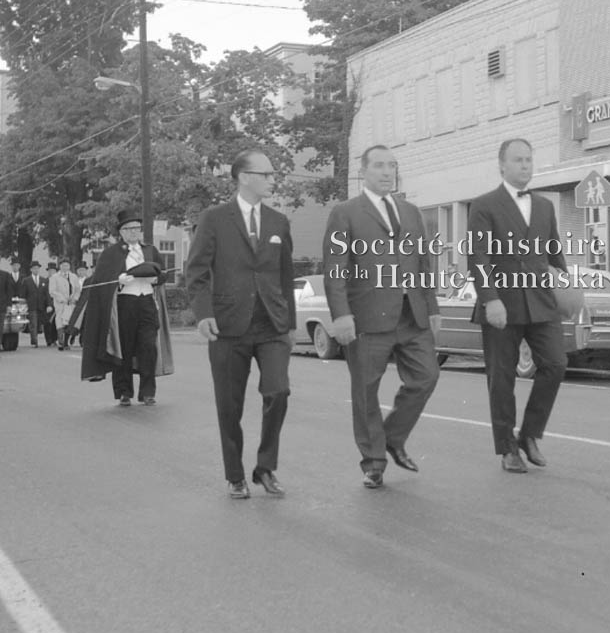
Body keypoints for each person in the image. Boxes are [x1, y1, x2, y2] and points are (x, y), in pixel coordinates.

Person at [322, 144, 441, 489]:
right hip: (367, 318)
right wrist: (341, 315)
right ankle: (374, 462)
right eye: (379, 166)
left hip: (411, 314)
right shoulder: (345, 212)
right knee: (365, 390)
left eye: (392, 166)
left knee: (426, 378)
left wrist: (431, 306)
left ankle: (391, 437)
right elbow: (334, 269)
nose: (388, 172)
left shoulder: (411, 212)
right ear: (364, 171)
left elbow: (422, 263)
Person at [186, 150, 296, 499]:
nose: (271, 180)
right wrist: (204, 313)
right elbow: (197, 271)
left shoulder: (279, 222)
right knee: (229, 405)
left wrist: (290, 323)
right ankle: (235, 475)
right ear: (245, 177)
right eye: (265, 174)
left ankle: (266, 466)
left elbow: (285, 273)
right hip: (228, 325)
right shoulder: (214, 219)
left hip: (271, 325)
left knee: (278, 391)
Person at [467, 138, 569, 473]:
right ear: (502, 165)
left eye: (528, 159)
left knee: (555, 364)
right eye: (518, 160)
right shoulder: (483, 205)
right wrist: (490, 299)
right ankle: (507, 448)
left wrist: (566, 285)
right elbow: (478, 257)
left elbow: (555, 255)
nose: (525, 165)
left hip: (541, 303)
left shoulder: (544, 206)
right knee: (501, 379)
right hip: (502, 305)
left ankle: (529, 435)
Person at [80, 212, 173, 407]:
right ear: (121, 232)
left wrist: (155, 279)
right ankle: (124, 391)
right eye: (129, 229)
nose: (133, 233)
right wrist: (119, 282)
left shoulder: (150, 251)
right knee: (125, 347)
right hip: (124, 304)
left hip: (146, 302)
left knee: (148, 347)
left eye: (136, 229)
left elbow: (162, 274)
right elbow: (104, 281)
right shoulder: (111, 254)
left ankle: (148, 391)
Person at [48, 260, 82, 350]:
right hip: (60, 303)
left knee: (69, 321)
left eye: (67, 265)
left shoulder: (73, 277)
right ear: (60, 266)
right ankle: (60, 341)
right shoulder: (54, 277)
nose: (65, 267)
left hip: (71, 303)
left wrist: (75, 298)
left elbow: (77, 290)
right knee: (60, 322)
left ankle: (66, 342)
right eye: (63, 265)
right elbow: (52, 291)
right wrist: (62, 298)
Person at [20, 261, 46, 347]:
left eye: (37, 268)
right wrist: (24, 305)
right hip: (31, 305)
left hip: (41, 305)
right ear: (31, 269)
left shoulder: (43, 280)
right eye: (34, 268)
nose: (36, 270)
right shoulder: (26, 280)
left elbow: (47, 294)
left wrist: (48, 305)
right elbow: (23, 294)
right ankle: (34, 341)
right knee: (33, 323)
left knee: (39, 324)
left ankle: (37, 337)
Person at [42, 265, 59, 346]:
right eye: (50, 271)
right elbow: (44, 295)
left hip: (57, 305)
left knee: (56, 324)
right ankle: (49, 340)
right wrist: (49, 305)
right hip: (47, 306)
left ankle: (55, 339)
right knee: (47, 324)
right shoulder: (44, 281)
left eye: (53, 271)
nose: (51, 272)